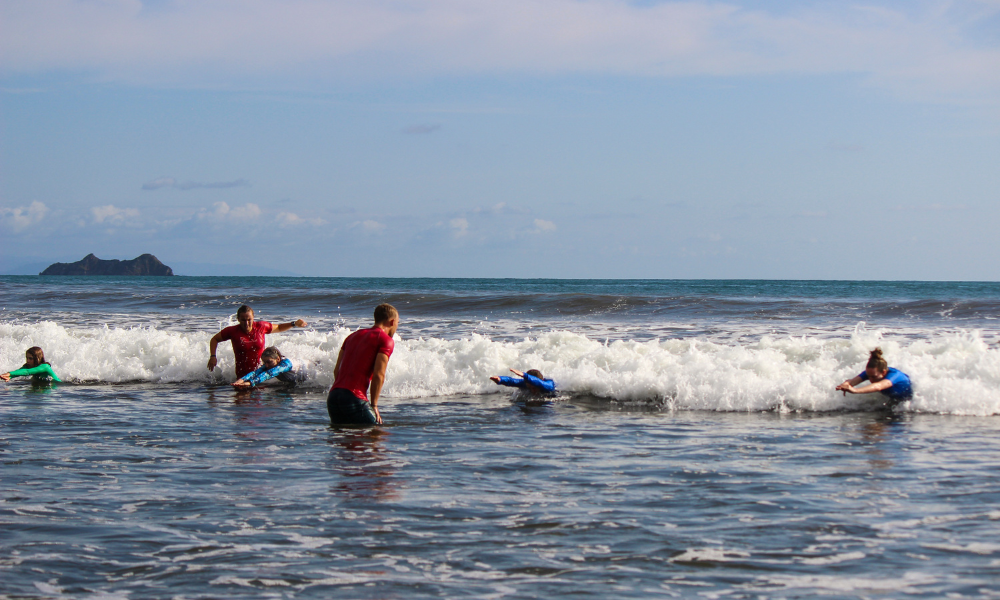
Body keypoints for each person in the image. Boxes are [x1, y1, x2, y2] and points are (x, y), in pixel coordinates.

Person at [328, 304, 399, 425]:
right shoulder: (385, 340)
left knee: (342, 440)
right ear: (392, 322)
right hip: (354, 397)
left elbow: (337, 371)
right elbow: (379, 375)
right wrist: (374, 405)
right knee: (376, 434)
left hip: (333, 397)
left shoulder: (351, 336)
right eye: (398, 323)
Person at [207, 305, 307, 378]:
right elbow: (214, 339)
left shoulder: (261, 327)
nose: (246, 323)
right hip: (242, 375)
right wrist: (213, 356)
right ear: (238, 319)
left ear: (253, 318)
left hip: (262, 373)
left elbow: (279, 328)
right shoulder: (232, 331)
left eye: (249, 320)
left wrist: (294, 324)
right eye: (243, 320)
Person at [836, 347, 913, 402]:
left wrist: (855, 390)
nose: (871, 379)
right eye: (868, 376)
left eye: (874, 377)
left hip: (911, 402)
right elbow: (851, 382)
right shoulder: (871, 373)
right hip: (896, 401)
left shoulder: (894, 376)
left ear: (884, 372)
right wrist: (845, 385)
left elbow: (878, 386)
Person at [232, 347, 297, 388]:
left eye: (269, 362)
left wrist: (250, 383)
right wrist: (242, 380)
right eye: (264, 362)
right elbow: (255, 373)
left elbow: (269, 374)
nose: (266, 365)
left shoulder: (286, 364)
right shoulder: (269, 365)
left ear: (278, 359)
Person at [491, 368, 556, 395]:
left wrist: (525, 375)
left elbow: (540, 383)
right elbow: (512, 381)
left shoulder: (549, 384)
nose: (532, 391)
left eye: (534, 388)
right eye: (530, 388)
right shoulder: (527, 383)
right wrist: (500, 379)